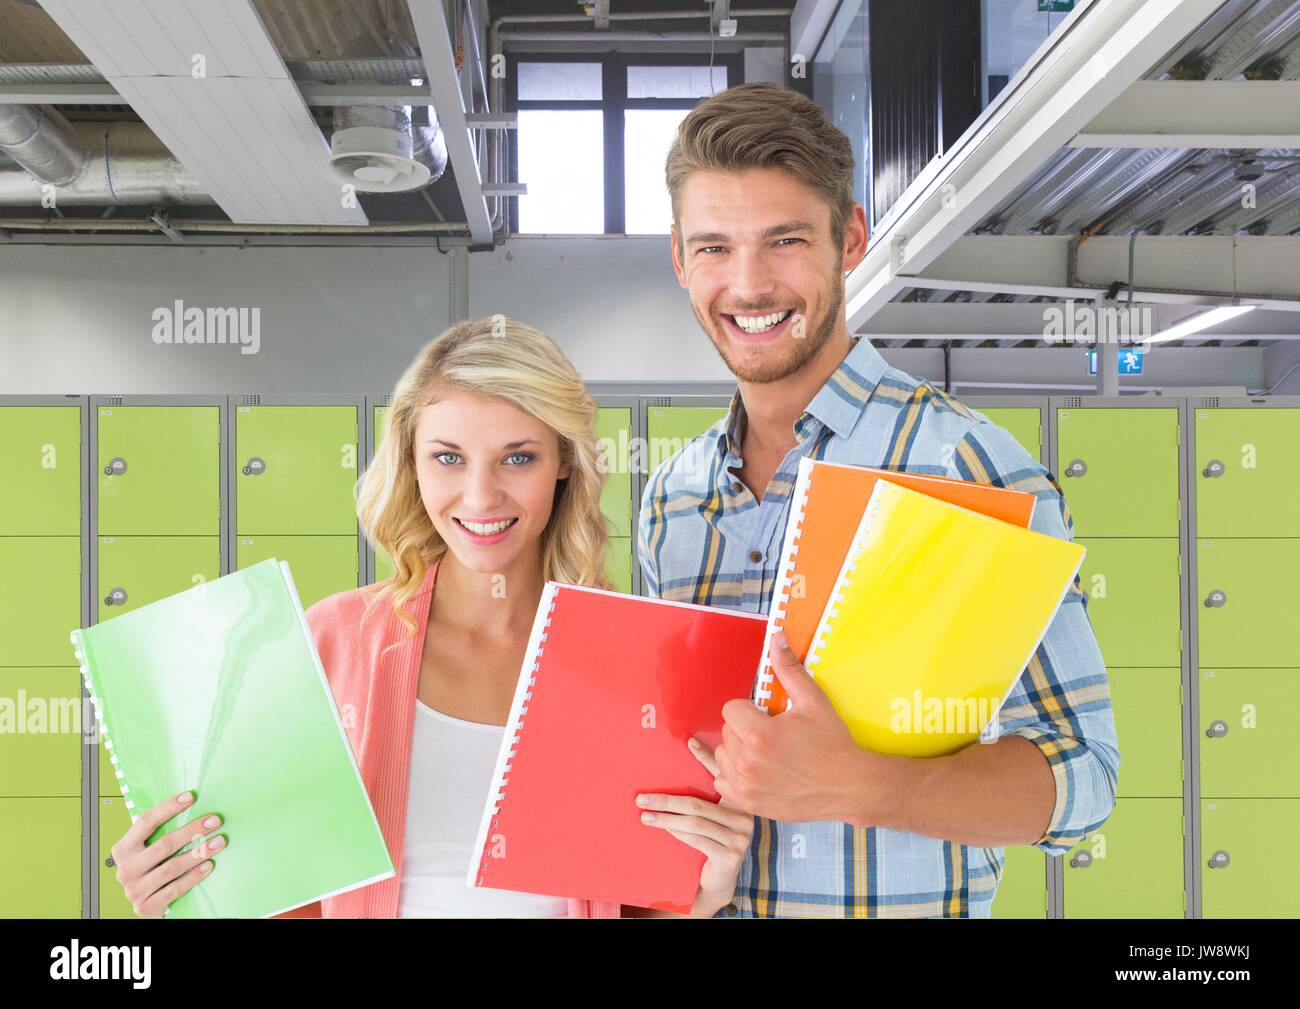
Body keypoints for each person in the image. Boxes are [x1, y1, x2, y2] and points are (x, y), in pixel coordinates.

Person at [638, 81, 1121, 918]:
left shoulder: (965, 467)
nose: (748, 285)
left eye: (784, 240)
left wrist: (861, 785)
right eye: (714, 247)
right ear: (680, 259)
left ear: (850, 237)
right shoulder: (672, 498)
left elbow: (1084, 778)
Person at [109, 316, 753, 919]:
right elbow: (267, 886)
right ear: (412, 466)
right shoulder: (329, 644)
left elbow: (638, 901)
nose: (481, 495)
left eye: (518, 456)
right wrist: (182, 887)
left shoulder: (630, 670)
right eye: (448, 457)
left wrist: (708, 891)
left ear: (564, 465)